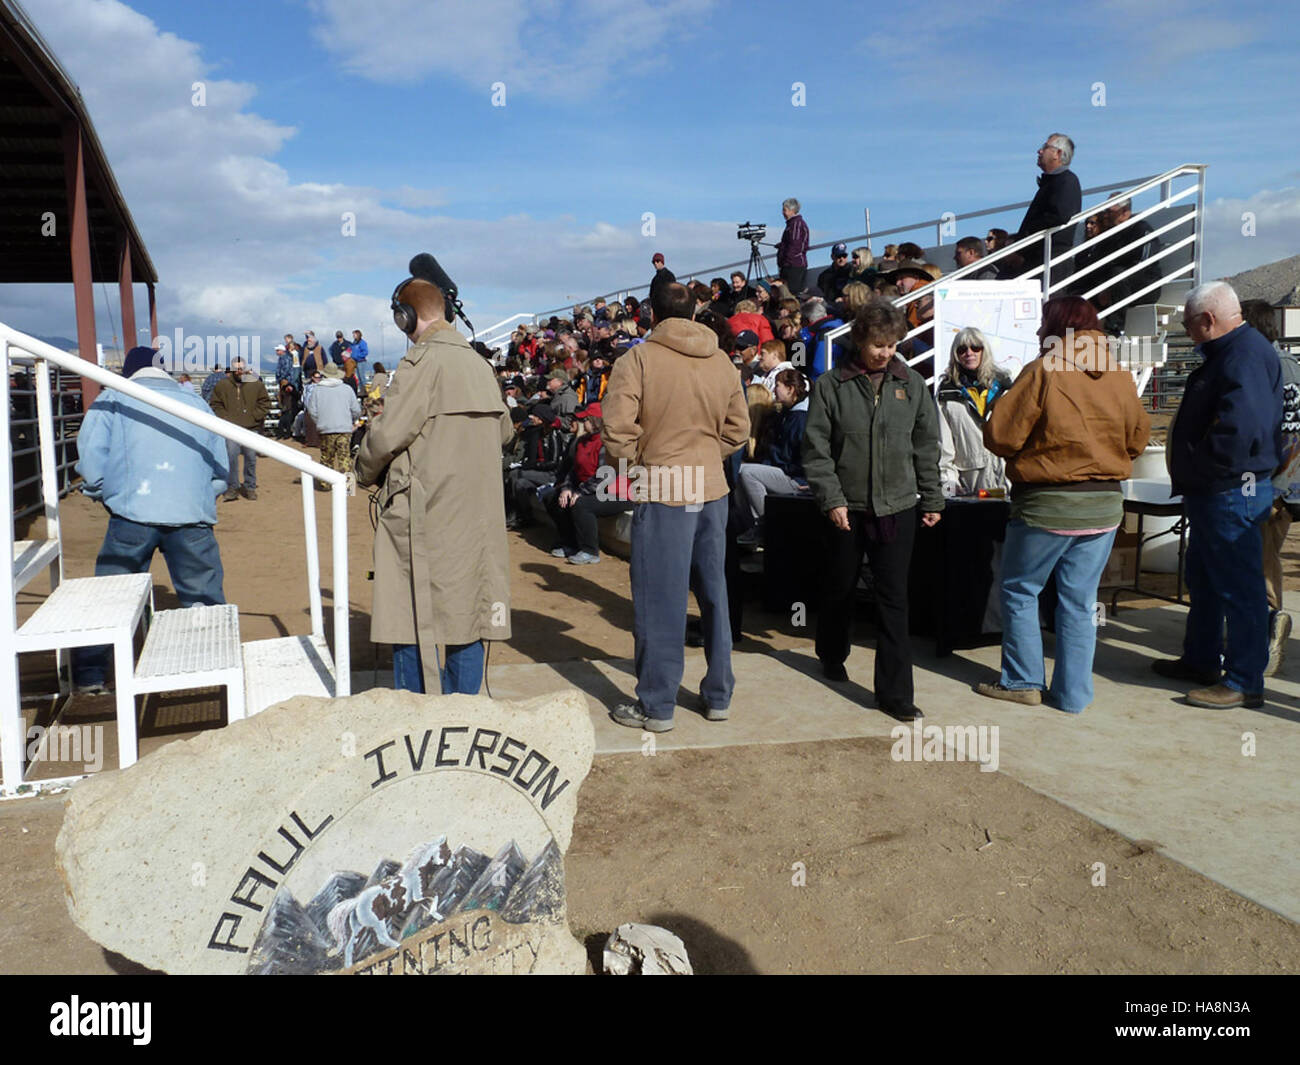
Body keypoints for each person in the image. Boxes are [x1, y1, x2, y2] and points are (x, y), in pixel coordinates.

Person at [978, 296, 1149, 713]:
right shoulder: (1118, 373)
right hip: (1106, 506)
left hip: (1047, 504)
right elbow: (1138, 440)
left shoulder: (1043, 370)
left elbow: (1000, 436)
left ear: (1054, 325)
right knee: (1079, 601)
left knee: (1020, 591)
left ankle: (1022, 682)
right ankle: (1073, 695)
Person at [603, 281, 749, 732]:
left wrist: (640, 466)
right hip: (711, 486)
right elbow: (739, 430)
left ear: (651, 313)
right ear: (694, 312)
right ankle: (718, 695)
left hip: (665, 485)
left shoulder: (638, 359)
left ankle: (657, 705)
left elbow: (616, 431)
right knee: (714, 593)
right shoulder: (722, 359)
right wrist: (704, 459)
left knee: (659, 599)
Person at [355, 276, 512, 696]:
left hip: (423, 512)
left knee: (407, 612)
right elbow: (505, 432)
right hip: (477, 517)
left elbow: (386, 438)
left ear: (405, 317)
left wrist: (362, 470)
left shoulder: (420, 364)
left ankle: (419, 716)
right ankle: (465, 713)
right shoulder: (481, 365)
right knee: (470, 612)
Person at [802, 302, 944, 721]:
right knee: (840, 585)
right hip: (846, 507)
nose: (885, 352)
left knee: (894, 599)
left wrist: (932, 498)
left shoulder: (913, 385)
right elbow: (816, 449)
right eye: (878, 344)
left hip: (897, 507)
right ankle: (831, 652)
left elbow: (926, 446)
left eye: (892, 344)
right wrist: (832, 499)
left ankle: (895, 694)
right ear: (860, 339)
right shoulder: (830, 385)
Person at [71, 347, 229, 694]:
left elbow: (92, 463)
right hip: (191, 514)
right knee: (202, 594)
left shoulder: (114, 399)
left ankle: (92, 675)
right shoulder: (196, 404)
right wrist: (201, 492)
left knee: (112, 594)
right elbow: (221, 468)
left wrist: (102, 493)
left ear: (130, 372)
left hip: (131, 513)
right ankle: (212, 670)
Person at [1152, 282, 1281, 709]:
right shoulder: (1235, 353)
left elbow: (1242, 428)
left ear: (1207, 320)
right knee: (1206, 581)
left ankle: (1244, 680)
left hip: (1228, 490)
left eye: (1190, 327)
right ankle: (1201, 659)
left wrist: (1203, 466)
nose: (1190, 336)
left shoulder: (1242, 356)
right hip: (1219, 489)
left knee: (1239, 588)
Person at [1242, 299, 1300, 675]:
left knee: (1256, 561)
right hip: (1291, 481)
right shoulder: (1294, 365)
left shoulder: (1260, 368)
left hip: (1268, 482)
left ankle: (1267, 629)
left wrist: (1273, 487)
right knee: (1268, 557)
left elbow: (1265, 433)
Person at [541, 401, 634, 564]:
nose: (584, 423)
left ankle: (590, 550)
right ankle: (569, 543)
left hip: (617, 494)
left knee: (581, 504)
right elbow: (573, 470)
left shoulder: (608, 443)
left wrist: (579, 492)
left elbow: (606, 475)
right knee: (553, 498)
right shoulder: (582, 441)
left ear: (597, 421)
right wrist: (568, 488)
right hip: (591, 489)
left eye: (587, 420)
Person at [735, 368, 811, 545]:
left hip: (795, 479)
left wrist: (808, 481)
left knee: (747, 472)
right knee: (740, 471)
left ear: (790, 389)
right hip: (781, 471)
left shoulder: (802, 419)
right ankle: (753, 527)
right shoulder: (786, 414)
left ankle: (766, 524)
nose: (773, 390)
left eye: (777, 385)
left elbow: (803, 456)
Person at [937, 328, 1011, 496]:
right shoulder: (947, 393)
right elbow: (943, 447)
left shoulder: (1006, 386)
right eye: (962, 349)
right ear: (955, 355)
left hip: (1009, 482)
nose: (969, 353)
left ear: (984, 350)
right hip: (972, 488)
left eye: (975, 348)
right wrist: (949, 485)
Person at [1015, 133, 1082, 288]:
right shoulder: (1051, 183)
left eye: (1045, 147)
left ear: (1058, 153)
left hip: (1051, 258)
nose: (1039, 152)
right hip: (1037, 257)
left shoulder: (1067, 180)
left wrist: (1026, 235)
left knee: (1049, 307)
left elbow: (1061, 215)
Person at [208, 356, 270, 501]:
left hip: (251, 428)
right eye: (236, 368)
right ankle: (232, 487)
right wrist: (225, 418)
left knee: (251, 458)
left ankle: (250, 487)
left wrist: (255, 416)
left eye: (241, 368)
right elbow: (215, 404)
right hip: (231, 429)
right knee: (231, 457)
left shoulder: (256, 384)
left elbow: (265, 403)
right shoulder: (222, 385)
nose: (239, 371)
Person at [307, 362, 361, 492]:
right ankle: (348, 487)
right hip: (344, 429)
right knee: (345, 458)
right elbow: (356, 409)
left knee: (327, 457)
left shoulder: (317, 390)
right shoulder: (347, 389)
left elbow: (312, 411)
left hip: (325, 429)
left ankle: (325, 484)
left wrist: (320, 422)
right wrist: (352, 421)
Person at [777, 197, 810, 294]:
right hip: (790, 264)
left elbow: (795, 244)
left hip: (794, 266)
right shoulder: (792, 224)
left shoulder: (796, 224)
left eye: (785, 210)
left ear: (792, 210)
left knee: (791, 293)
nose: (783, 213)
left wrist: (786, 260)